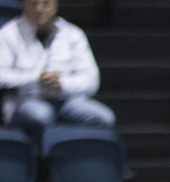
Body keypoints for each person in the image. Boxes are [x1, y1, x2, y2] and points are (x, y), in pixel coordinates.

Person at [0, 0, 113, 146]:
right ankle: (43, 165)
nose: (40, 9)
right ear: (25, 5)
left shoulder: (74, 35)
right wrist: (37, 80)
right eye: (34, 4)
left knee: (104, 117)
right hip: (26, 100)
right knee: (41, 115)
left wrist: (61, 84)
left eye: (45, 3)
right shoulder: (8, 34)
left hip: (67, 100)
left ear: (55, 5)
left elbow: (91, 80)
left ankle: (83, 164)